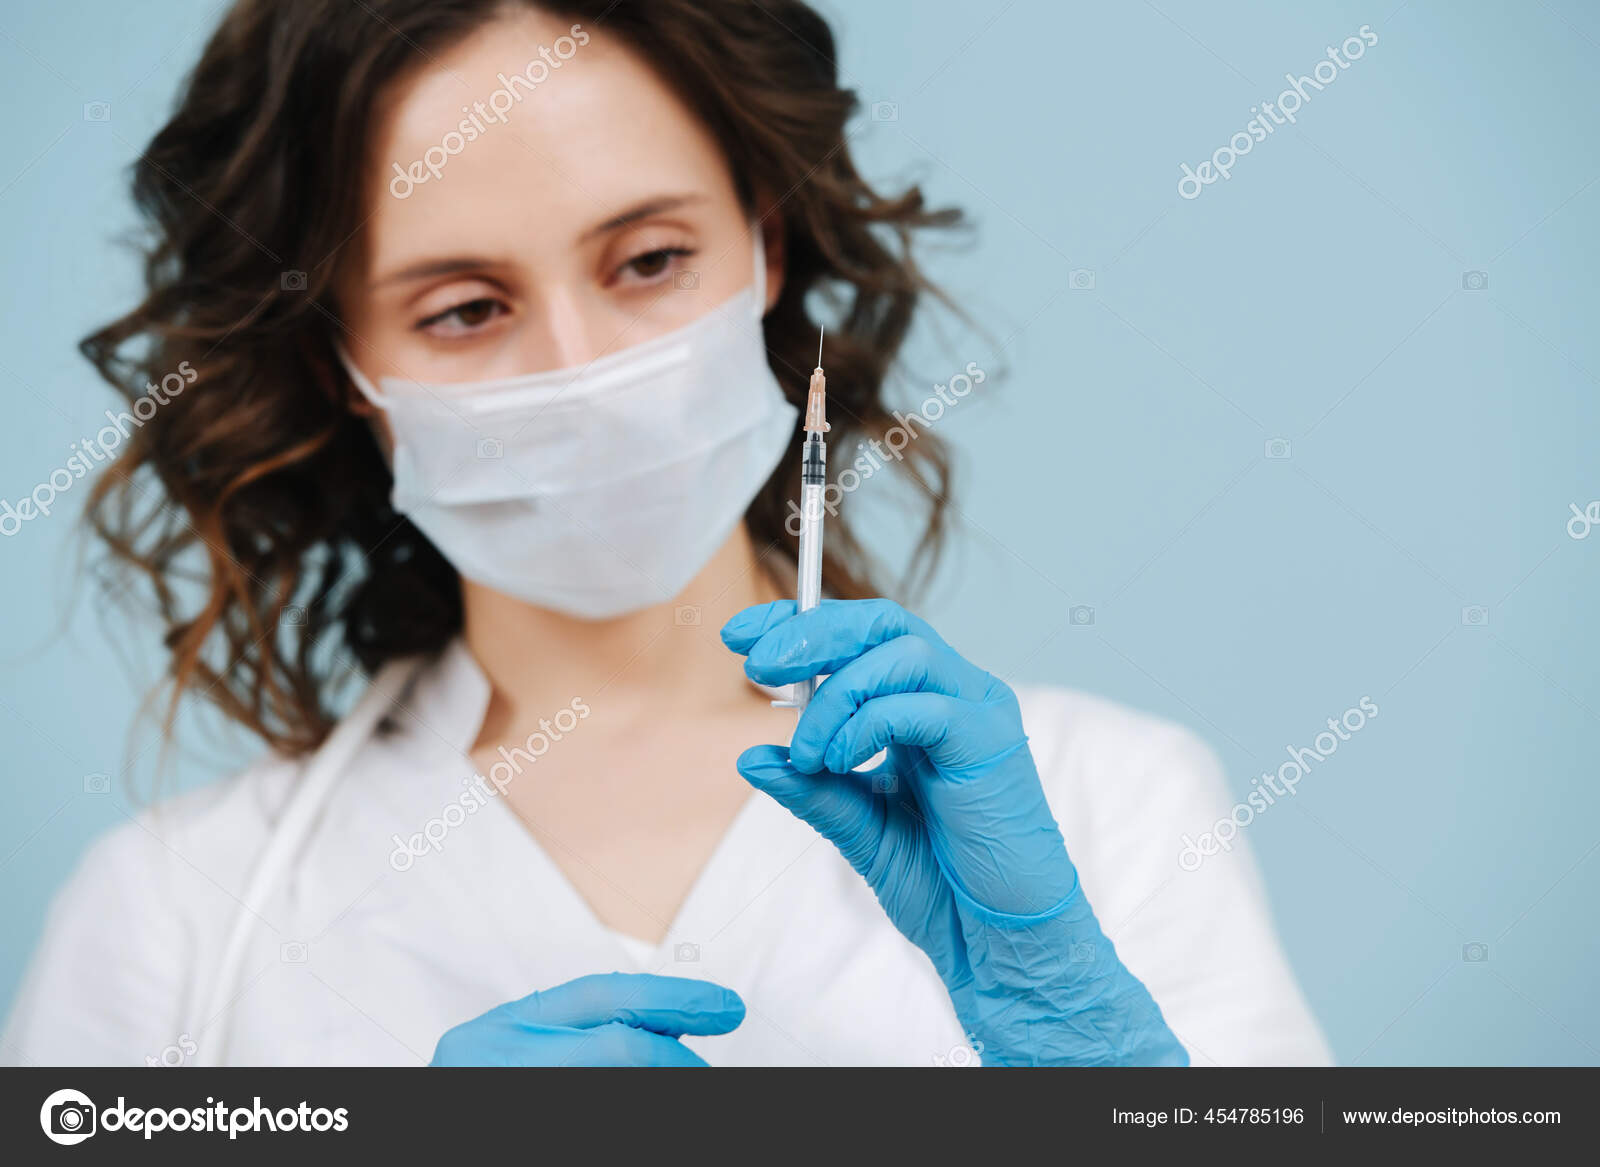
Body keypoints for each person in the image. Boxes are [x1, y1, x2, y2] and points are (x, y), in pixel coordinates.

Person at [3, 0, 1327, 1067]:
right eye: (465, 308)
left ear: (762, 244)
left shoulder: (1111, 808)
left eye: (647, 262)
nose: (580, 377)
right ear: (345, 360)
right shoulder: (178, 921)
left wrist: (1092, 1064)